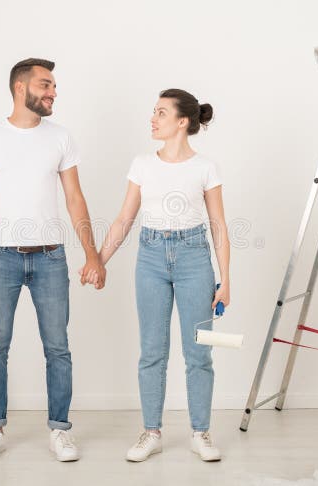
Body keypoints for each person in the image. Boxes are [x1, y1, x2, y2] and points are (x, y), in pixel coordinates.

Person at [0, 58, 105, 463]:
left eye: (55, 86)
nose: (53, 92)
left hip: (51, 258)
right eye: (46, 85)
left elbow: (75, 199)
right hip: (0, 258)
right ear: (21, 87)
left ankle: (60, 430)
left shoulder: (60, 137)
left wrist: (93, 253)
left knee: (58, 348)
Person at [96, 88, 231, 462]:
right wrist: (99, 260)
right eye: (153, 112)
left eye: (160, 113)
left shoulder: (205, 167)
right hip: (151, 258)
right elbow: (125, 219)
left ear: (182, 121)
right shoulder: (142, 163)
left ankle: (200, 433)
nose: (152, 119)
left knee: (199, 353)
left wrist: (226, 280)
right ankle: (151, 432)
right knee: (152, 352)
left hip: (194, 258)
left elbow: (218, 225)